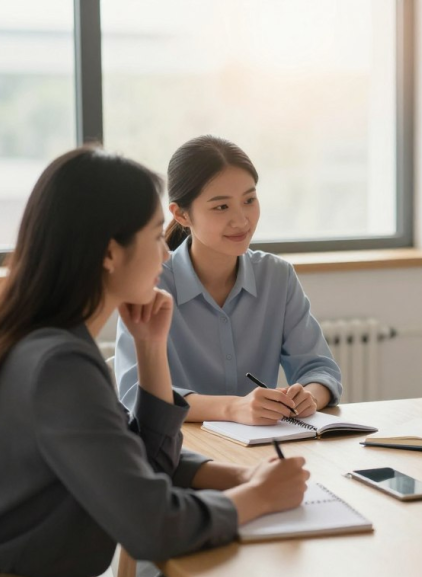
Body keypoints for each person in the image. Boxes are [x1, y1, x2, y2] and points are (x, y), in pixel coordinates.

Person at [0, 146, 309, 577]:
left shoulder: (50, 341)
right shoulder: (59, 366)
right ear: (110, 254)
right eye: (157, 235)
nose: (165, 254)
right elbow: (154, 528)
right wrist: (259, 496)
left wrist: (151, 349)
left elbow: (136, 459)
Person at [116, 135, 342, 424]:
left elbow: (320, 369)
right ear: (181, 215)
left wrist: (309, 396)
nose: (241, 220)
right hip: (179, 453)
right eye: (221, 207)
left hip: (262, 446)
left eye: (249, 200)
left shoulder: (277, 276)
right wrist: (233, 409)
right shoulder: (150, 283)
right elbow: (136, 393)